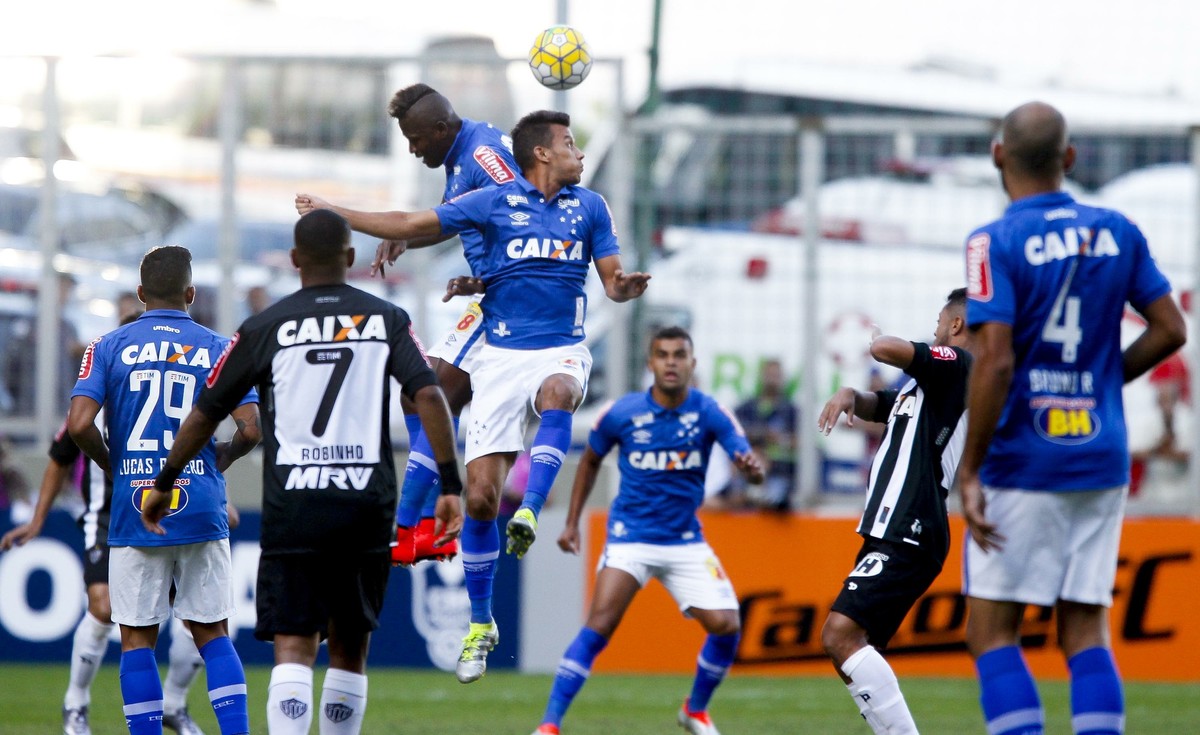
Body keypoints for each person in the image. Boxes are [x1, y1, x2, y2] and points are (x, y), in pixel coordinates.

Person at [296, 109, 650, 683]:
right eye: (569, 143)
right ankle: (481, 625)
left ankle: (531, 508)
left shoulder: (591, 206)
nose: (579, 152)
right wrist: (336, 212)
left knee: (559, 393)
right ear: (542, 154)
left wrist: (623, 288)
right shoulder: (492, 203)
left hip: (560, 349)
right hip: (500, 359)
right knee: (482, 499)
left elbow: (610, 278)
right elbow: (412, 223)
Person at [153, 209, 464, 735]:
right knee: (349, 644)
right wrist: (450, 485)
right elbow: (430, 392)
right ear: (350, 258)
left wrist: (164, 483)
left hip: (294, 503)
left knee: (295, 643)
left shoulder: (261, 327)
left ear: (295, 261)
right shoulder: (387, 319)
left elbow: (205, 413)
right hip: (364, 501)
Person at [955, 101, 1187, 735]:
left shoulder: (991, 241)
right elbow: (1171, 330)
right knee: (1084, 625)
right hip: (1101, 455)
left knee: (991, 629)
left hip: (1023, 460)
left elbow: (995, 360)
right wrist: (1103, 378)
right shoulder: (1118, 228)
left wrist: (970, 469)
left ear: (998, 156)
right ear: (1071, 159)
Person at [67, 245, 261, 735]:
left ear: (139, 294)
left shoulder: (106, 346)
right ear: (191, 294)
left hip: (136, 506)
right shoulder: (221, 347)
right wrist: (223, 459)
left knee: (136, 638)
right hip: (200, 502)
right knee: (212, 633)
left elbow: (78, 425)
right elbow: (252, 429)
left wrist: (114, 466)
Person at [530, 326, 762, 735]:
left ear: (692, 362)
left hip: (684, 540)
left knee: (727, 625)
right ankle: (549, 725)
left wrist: (751, 468)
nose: (671, 362)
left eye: (679, 354)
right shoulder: (622, 412)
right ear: (651, 363)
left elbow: (744, 455)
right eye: (663, 354)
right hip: (630, 538)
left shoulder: (709, 411)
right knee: (599, 624)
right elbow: (589, 461)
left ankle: (696, 711)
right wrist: (571, 523)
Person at [2, 356, 213, 735]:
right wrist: (37, 519)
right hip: (107, 518)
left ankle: (175, 704)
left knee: (194, 616)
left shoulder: (174, 398)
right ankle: (76, 702)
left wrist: (217, 498)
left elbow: (200, 452)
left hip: (172, 512)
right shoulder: (94, 401)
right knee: (103, 606)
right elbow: (58, 459)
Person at [370, 83, 520, 567]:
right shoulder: (458, 157)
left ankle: (408, 529)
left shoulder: (485, 154)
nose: (412, 150)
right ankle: (419, 528)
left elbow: (519, 212)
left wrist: (488, 280)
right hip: (490, 296)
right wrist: (407, 242)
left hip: (514, 301)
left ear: (440, 129)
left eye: (415, 140)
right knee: (416, 394)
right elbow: (461, 217)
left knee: (431, 391)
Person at [816, 289, 973, 734]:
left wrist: (874, 341)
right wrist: (850, 393)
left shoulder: (958, 365)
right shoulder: (928, 388)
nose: (937, 327)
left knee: (839, 634)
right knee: (853, 647)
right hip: (895, 526)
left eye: (941, 320)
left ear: (956, 326)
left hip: (912, 524)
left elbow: (888, 350)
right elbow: (879, 406)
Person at [731, 358, 797, 510]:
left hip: (780, 471)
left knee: (778, 495)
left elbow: (799, 441)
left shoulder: (791, 411)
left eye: (776, 375)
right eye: (769, 374)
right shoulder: (746, 408)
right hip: (747, 470)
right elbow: (735, 434)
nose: (772, 380)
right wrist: (763, 436)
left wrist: (780, 440)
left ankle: (761, 498)